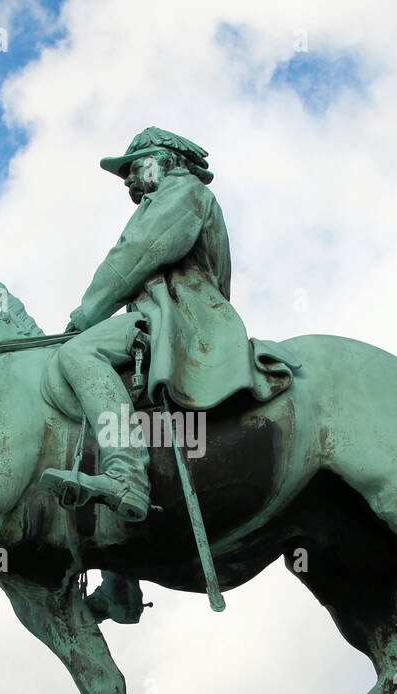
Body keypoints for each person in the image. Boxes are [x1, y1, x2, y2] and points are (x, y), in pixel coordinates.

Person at [40, 127, 297, 623]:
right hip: (165, 318)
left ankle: (127, 478)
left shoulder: (184, 192)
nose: (130, 181)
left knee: (77, 357)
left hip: (184, 318)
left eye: (136, 167)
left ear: (164, 160)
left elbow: (134, 255)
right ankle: (120, 581)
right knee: (112, 412)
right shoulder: (172, 196)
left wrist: (85, 316)